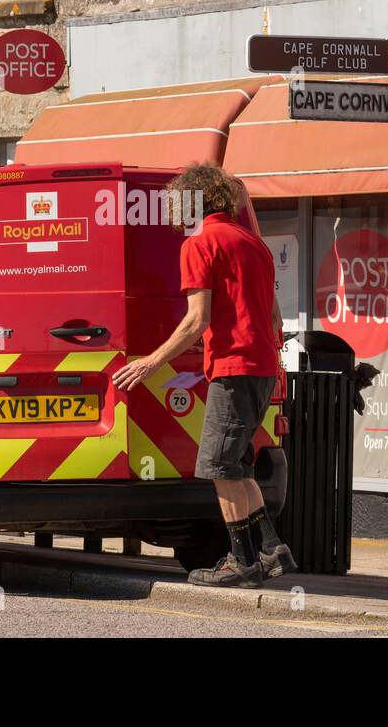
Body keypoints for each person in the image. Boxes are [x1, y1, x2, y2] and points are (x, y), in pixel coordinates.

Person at [112, 164, 295, 588]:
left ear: (195, 201)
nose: (171, 209)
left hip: (233, 368)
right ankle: (269, 550)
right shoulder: (253, 242)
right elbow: (274, 315)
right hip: (261, 367)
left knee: (218, 466)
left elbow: (197, 320)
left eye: (176, 200)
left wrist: (149, 363)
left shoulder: (200, 243)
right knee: (239, 465)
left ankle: (242, 562)